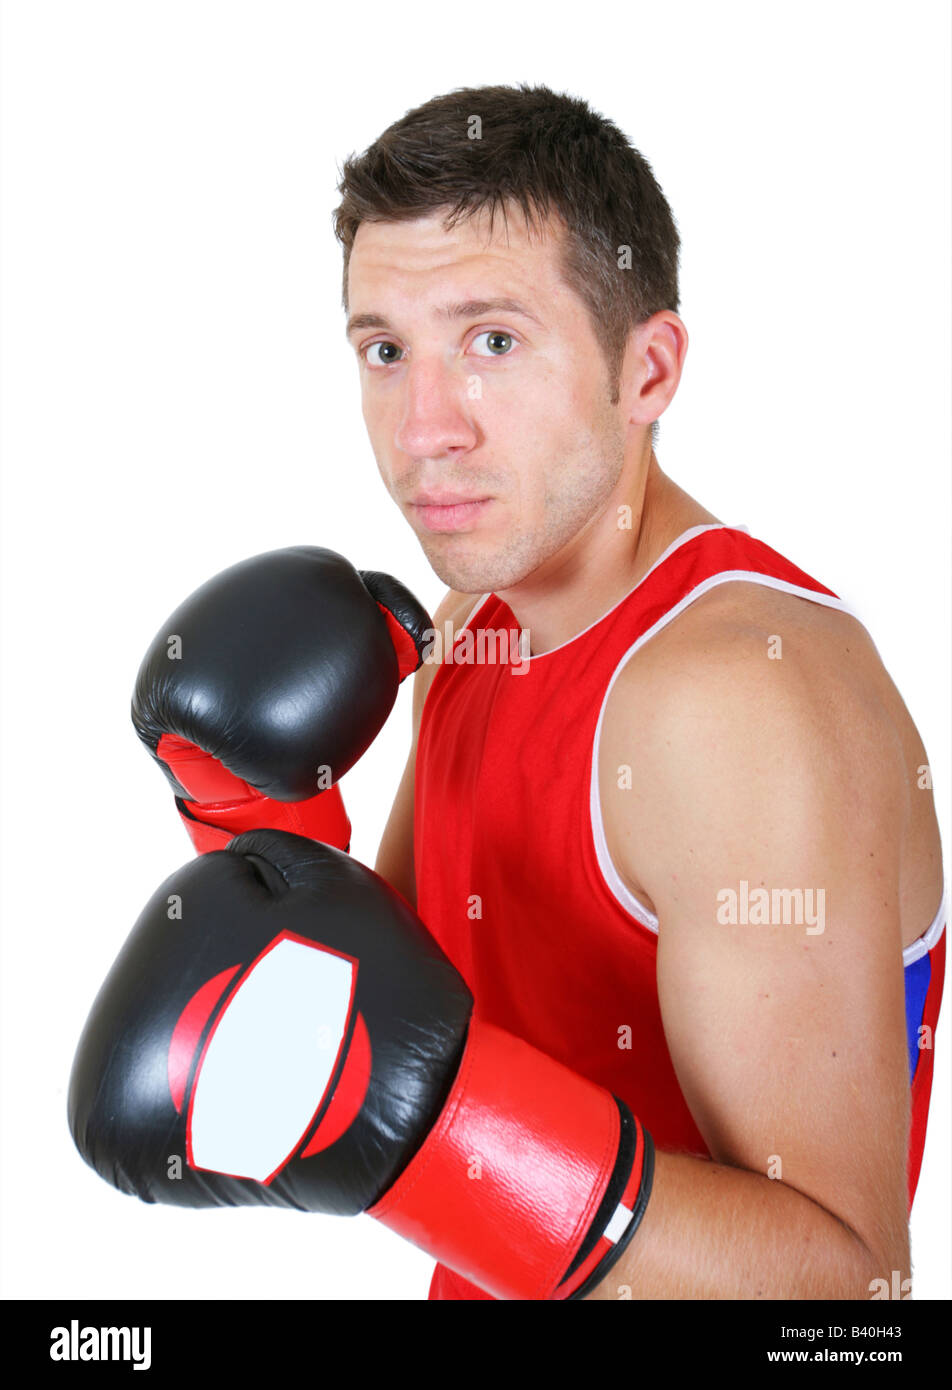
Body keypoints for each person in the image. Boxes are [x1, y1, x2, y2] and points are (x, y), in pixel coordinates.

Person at [333, 83, 946, 1299]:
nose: (424, 427)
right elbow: (410, 1006)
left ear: (647, 368)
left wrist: (439, 1137)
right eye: (384, 349)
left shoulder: (730, 701)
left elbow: (843, 1290)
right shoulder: (471, 627)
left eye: (492, 341)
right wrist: (252, 828)